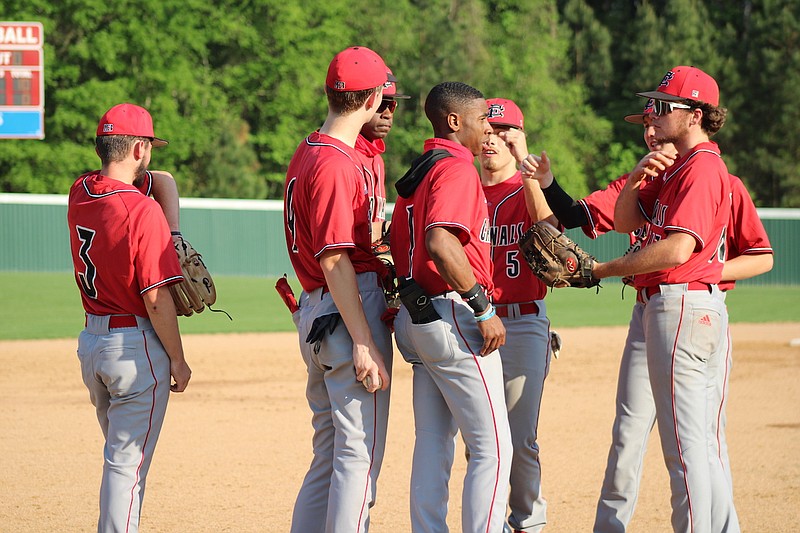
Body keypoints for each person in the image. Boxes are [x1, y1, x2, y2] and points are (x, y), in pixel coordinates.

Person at [524, 98, 773, 532]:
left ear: (690, 118)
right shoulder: (653, 178)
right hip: (651, 306)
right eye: (646, 124)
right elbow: (588, 215)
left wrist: (709, 271)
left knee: (695, 445)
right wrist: (553, 183)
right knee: (641, 434)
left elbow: (758, 256)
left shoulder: (718, 178)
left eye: (657, 119)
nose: (651, 130)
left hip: (689, 303)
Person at [587, 65, 734, 532]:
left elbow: (677, 248)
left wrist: (604, 269)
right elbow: (628, 224)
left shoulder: (704, 167)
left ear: (695, 115)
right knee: (700, 447)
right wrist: (634, 178)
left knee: (685, 451)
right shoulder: (681, 167)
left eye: (666, 105)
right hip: (683, 306)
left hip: (681, 304)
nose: (655, 113)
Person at [390, 81, 512, 533]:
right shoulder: (458, 168)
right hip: (453, 315)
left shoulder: (421, 168)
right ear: (454, 121)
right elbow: (440, 243)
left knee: (433, 444)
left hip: (417, 317)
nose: (489, 129)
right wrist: (482, 308)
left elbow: (396, 241)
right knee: (493, 449)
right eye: (483, 119)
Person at [282, 46, 392, 533]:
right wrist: (364, 340)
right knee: (358, 455)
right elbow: (333, 258)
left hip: (318, 308)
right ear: (370, 99)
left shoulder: (309, 148)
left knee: (330, 453)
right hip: (346, 309)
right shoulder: (334, 162)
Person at [67, 102, 192, 533]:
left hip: (93, 346)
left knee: (120, 462)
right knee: (126, 471)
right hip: (135, 350)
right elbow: (157, 298)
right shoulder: (142, 212)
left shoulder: (80, 190)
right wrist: (177, 358)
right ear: (139, 148)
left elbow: (160, 180)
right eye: (149, 146)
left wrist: (169, 221)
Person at [479, 98, 555, 533]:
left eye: (503, 130)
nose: (492, 138)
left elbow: (551, 236)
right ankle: (491, 522)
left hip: (523, 322)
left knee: (519, 436)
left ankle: (528, 520)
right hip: (472, 321)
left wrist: (528, 170)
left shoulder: (527, 189)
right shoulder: (464, 189)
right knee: (482, 439)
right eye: (486, 130)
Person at [356, 67, 410, 240]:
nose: (387, 114)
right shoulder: (344, 156)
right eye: (381, 104)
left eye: (392, 105)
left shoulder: (377, 160)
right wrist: (389, 228)